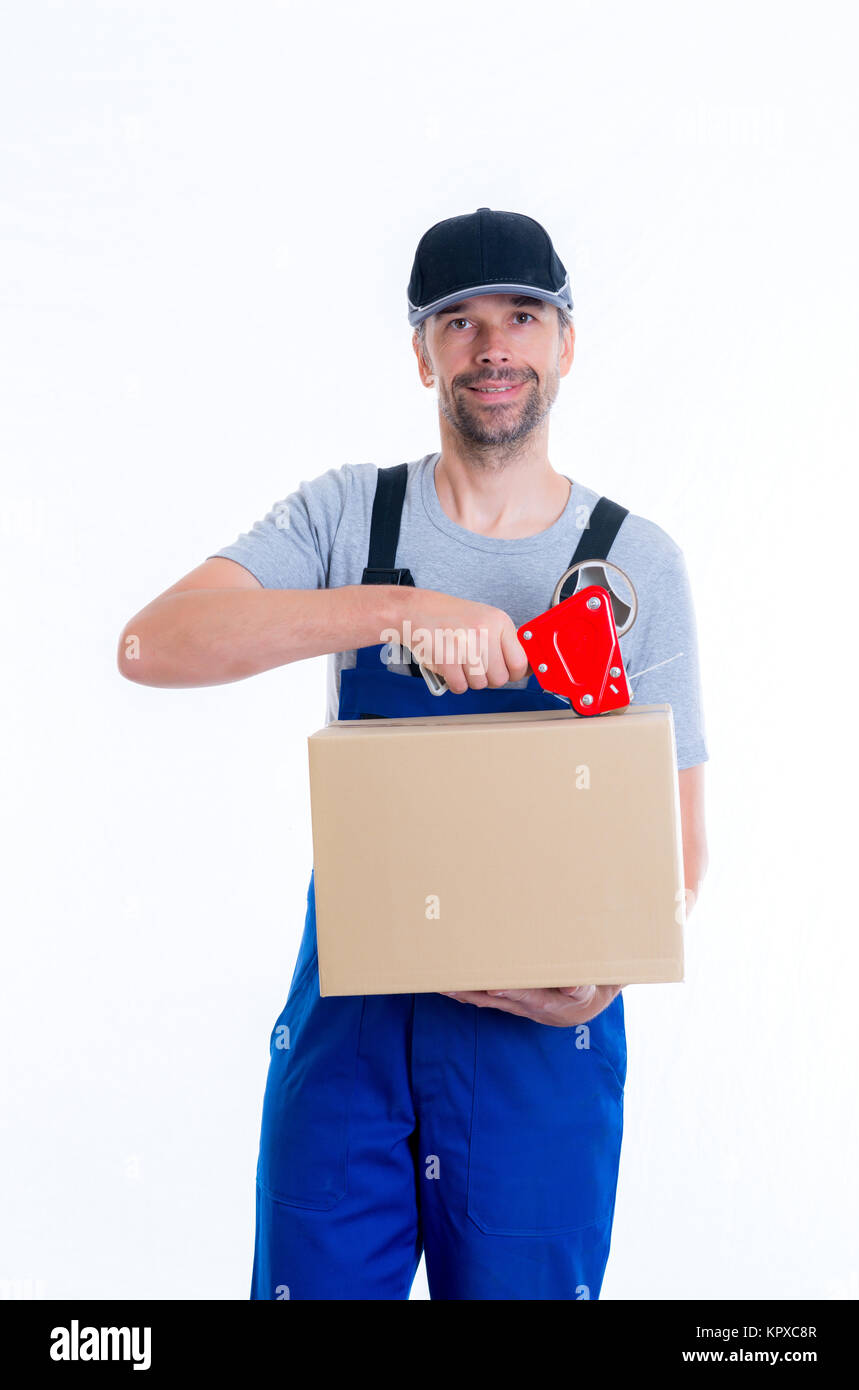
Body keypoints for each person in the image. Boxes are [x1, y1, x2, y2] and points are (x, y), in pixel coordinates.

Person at [118, 206, 709, 1301]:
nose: (494, 347)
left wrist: (593, 984)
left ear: (566, 344)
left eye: (522, 317)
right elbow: (153, 644)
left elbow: (677, 854)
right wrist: (390, 606)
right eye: (460, 321)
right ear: (421, 351)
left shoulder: (632, 566)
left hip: (541, 1050)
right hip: (352, 1026)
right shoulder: (352, 516)